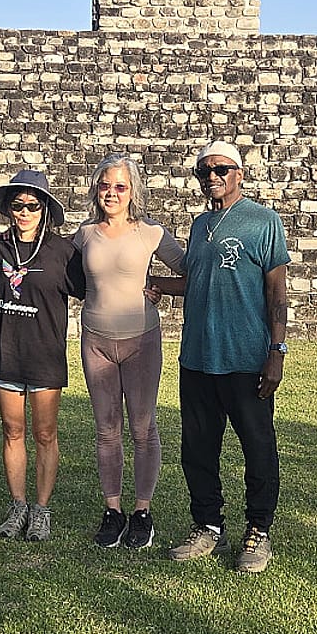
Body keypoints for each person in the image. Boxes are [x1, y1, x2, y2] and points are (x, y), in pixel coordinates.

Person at [151, 141, 290, 574]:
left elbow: (276, 293)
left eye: (221, 169)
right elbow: (198, 280)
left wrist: (276, 351)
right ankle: (208, 524)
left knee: (257, 446)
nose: (212, 176)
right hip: (197, 356)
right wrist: (154, 284)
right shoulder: (200, 225)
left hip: (246, 356)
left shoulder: (264, 222)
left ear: (239, 174)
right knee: (197, 449)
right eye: (204, 171)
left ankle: (258, 530)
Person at [73, 154, 186, 549]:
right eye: (105, 185)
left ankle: (142, 512)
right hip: (96, 341)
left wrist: (159, 286)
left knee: (142, 427)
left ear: (133, 191)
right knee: (106, 429)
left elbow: (191, 270)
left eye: (120, 186)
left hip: (141, 341)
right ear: (95, 189)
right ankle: (113, 510)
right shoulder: (84, 234)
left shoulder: (151, 233)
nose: (112, 193)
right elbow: (65, 278)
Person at [0, 170, 85, 542]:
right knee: (12, 430)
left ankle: (41, 509)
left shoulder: (63, 252)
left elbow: (99, 285)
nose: (24, 212)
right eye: (17, 206)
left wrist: (144, 291)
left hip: (44, 354)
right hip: (6, 350)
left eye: (32, 206)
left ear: (45, 211)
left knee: (44, 433)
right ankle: (18, 504)